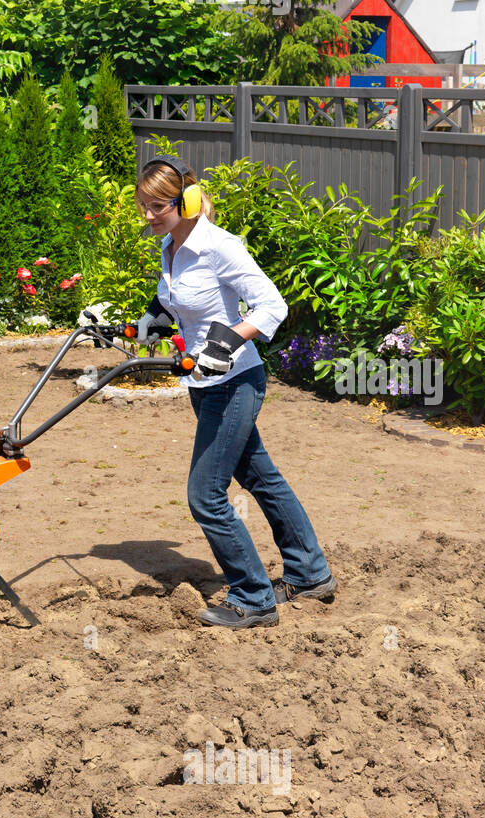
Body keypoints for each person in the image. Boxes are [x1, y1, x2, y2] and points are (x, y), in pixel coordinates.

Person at [134, 155, 337, 628]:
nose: (148, 215)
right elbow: (179, 303)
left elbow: (272, 306)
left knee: (205, 495)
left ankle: (253, 597)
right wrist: (148, 321)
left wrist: (226, 341)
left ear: (183, 201)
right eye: (143, 205)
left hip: (235, 382)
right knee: (262, 479)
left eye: (157, 206)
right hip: (203, 383)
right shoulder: (170, 246)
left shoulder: (219, 247)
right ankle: (309, 573)